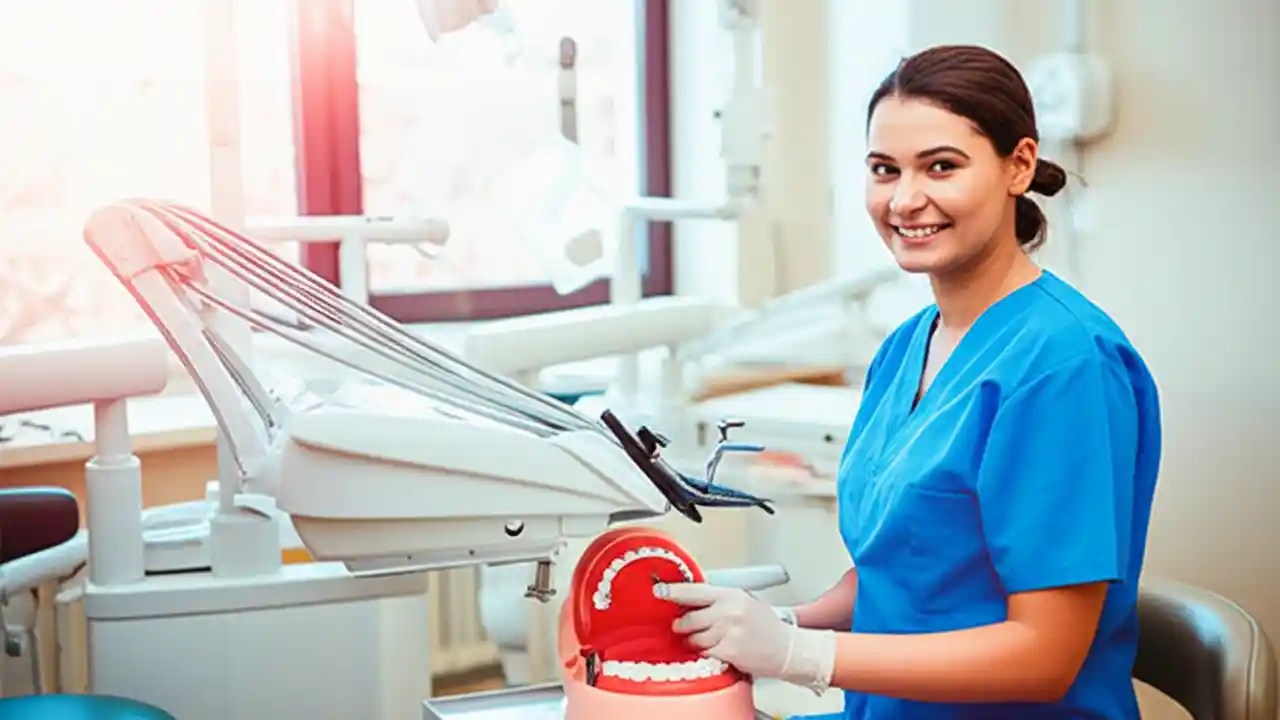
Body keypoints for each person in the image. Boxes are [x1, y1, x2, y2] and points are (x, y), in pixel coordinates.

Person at [654, 44, 1162, 719]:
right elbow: (902, 570)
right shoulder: (905, 348)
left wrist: (798, 656)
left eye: (941, 167)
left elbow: (1044, 656)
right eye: (884, 170)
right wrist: (771, 623)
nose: (905, 199)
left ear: (1019, 166)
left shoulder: (1063, 365)